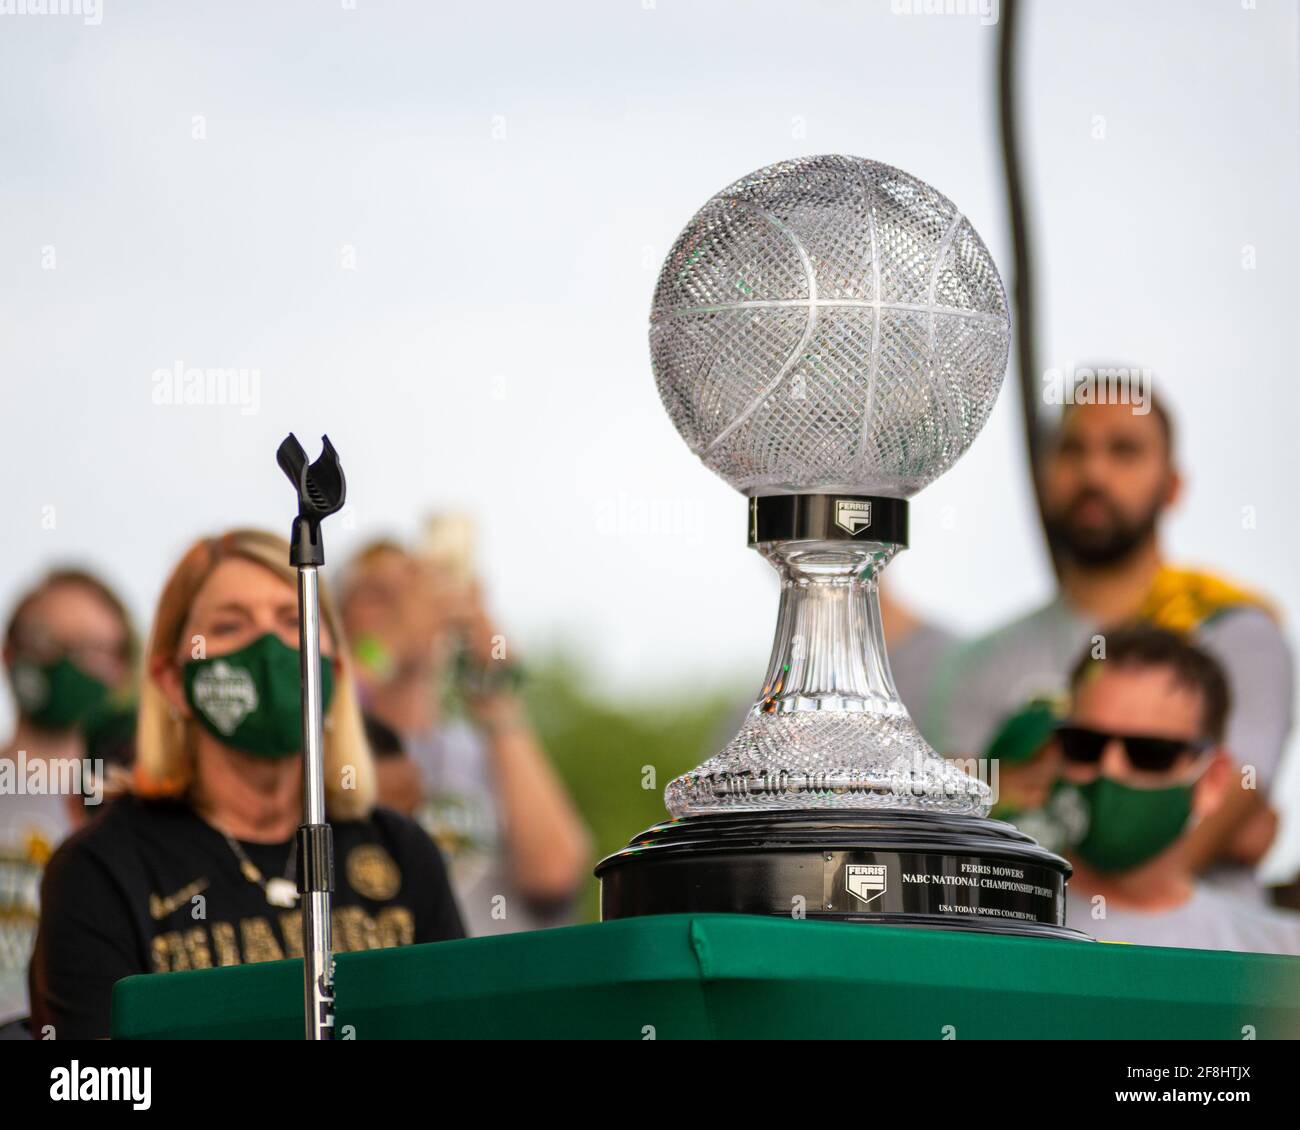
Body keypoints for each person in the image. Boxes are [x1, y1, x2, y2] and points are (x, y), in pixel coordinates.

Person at [28, 530, 464, 1040]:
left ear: (334, 667)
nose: (268, 647)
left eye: (291, 620)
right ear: (172, 679)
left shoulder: (403, 852)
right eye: (231, 625)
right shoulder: (100, 871)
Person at [932, 392, 1293, 898]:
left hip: (1198, 963)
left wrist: (1025, 790)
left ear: (1173, 486)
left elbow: (1210, 827)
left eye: (1124, 451)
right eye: (1072, 450)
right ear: (1042, 477)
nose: (1094, 473)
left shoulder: (1235, 634)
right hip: (1025, 961)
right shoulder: (980, 661)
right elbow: (952, 842)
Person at [339, 540, 590, 937]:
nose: (409, 607)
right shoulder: (329, 749)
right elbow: (321, 718)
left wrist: (497, 702)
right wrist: (385, 648)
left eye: (419, 590)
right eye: (378, 595)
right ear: (337, 622)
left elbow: (554, 876)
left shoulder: (483, 750)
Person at [1049, 624, 1300, 954]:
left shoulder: (1277, 959)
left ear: (1211, 779)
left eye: (1150, 754)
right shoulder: (984, 928)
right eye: (1085, 745)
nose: (1109, 769)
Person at [0, 569, 135, 1036]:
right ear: (9, 650)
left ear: (121, 670)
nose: (67, 664)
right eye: (48, 640)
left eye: (92, 649)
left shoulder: (130, 812)